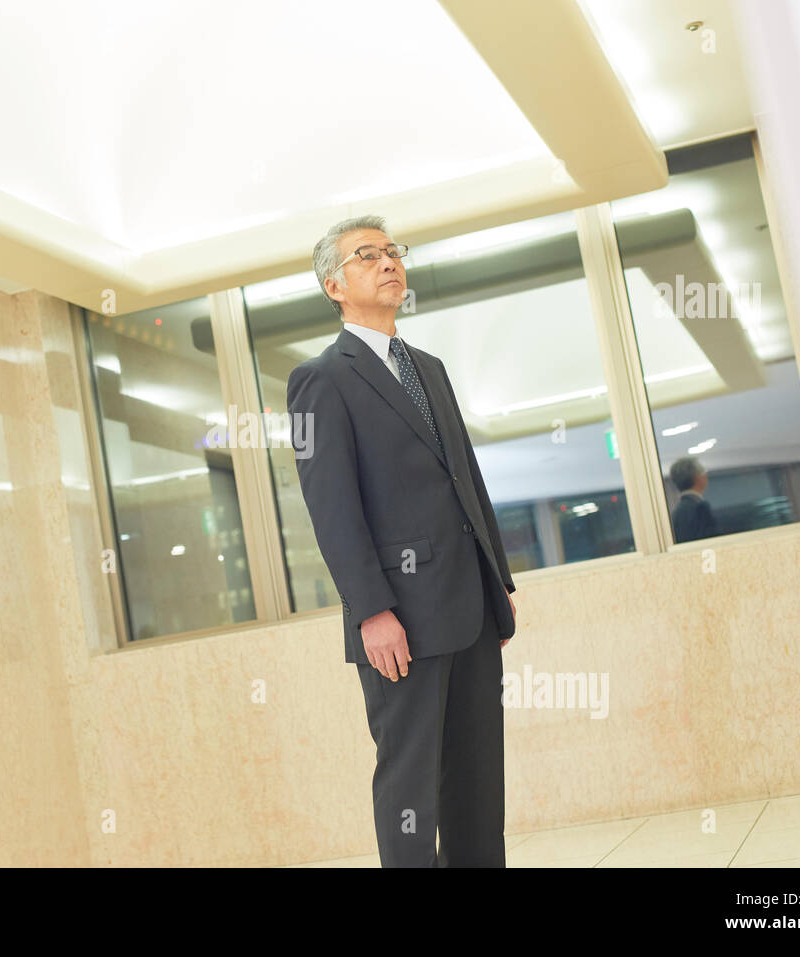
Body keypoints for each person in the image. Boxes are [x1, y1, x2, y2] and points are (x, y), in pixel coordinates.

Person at [286, 215, 517, 867]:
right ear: (334, 284)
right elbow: (331, 508)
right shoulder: (319, 380)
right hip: (401, 624)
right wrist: (372, 610)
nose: (388, 262)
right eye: (367, 256)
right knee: (412, 787)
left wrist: (496, 581)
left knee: (476, 783)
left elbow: (466, 479)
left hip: (470, 610)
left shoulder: (431, 368)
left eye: (392, 252)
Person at [669, 455, 718, 542]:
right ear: (696, 476)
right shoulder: (700, 508)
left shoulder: (677, 511)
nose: (706, 476)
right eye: (703, 472)